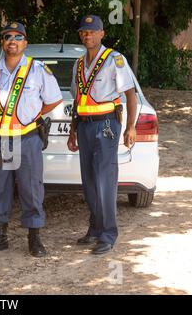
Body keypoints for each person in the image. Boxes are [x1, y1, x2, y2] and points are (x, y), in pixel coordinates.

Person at [0, 22, 63, 257]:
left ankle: (34, 239)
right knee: (0, 189)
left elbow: (54, 100)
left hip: (27, 139)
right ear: (2, 43)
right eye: (7, 36)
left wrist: (33, 115)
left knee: (31, 188)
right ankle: (0, 237)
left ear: (25, 43)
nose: (12, 41)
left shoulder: (38, 70)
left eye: (17, 37)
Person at [67, 15, 137, 255]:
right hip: (85, 126)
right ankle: (95, 229)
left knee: (105, 181)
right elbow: (78, 100)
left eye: (92, 31)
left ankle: (108, 234)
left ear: (101, 34)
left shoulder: (114, 60)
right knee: (89, 182)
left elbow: (130, 94)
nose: (88, 35)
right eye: (84, 32)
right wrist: (72, 131)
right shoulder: (78, 64)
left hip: (106, 125)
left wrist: (131, 127)